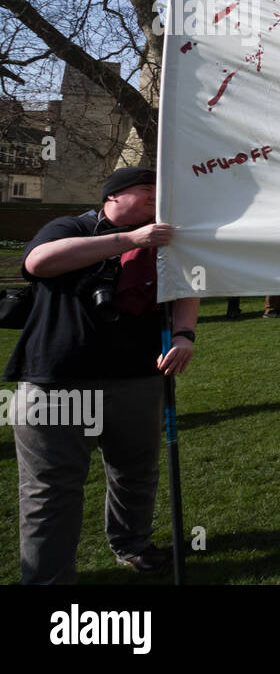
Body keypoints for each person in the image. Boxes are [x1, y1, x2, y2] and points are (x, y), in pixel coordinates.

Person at [3, 167, 199, 584]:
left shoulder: (165, 239)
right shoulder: (71, 226)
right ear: (112, 196)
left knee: (135, 471)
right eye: (145, 190)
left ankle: (132, 544)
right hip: (57, 380)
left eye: (157, 191)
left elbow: (187, 285)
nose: (153, 197)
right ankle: (47, 579)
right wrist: (130, 240)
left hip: (138, 377)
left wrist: (184, 334)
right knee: (51, 488)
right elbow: (39, 262)